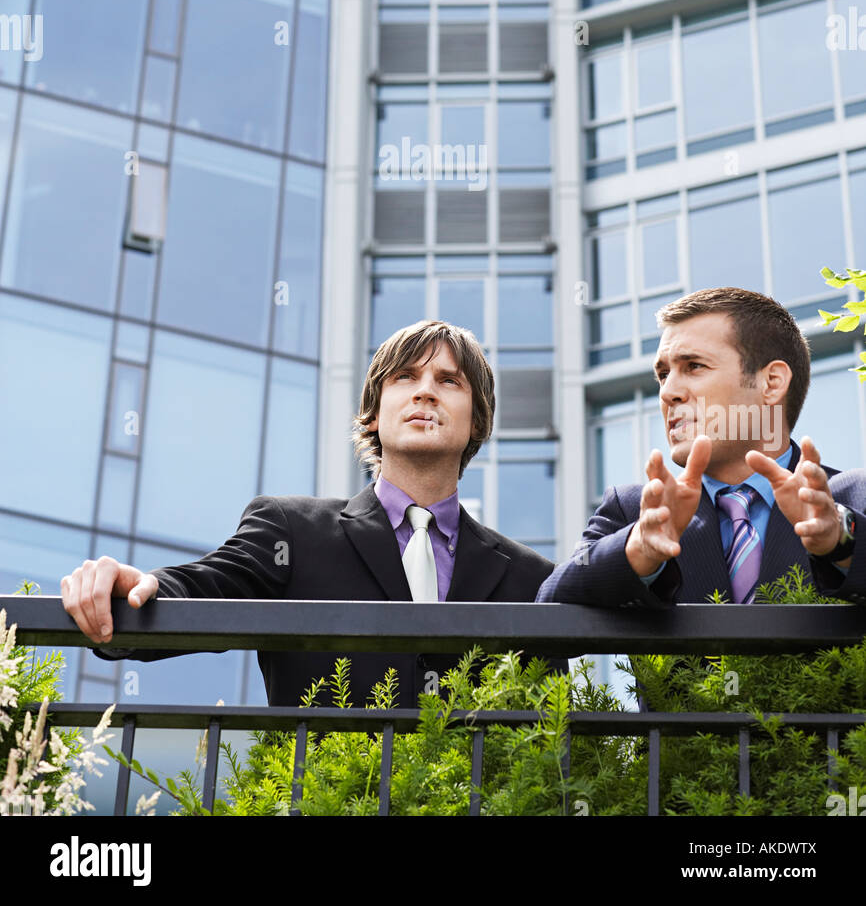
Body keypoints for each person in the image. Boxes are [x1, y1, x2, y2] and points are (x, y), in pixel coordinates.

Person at [62, 320, 554, 706]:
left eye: (449, 381)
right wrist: (131, 590)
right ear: (374, 412)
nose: (425, 391)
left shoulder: (531, 579)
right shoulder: (289, 531)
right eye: (405, 377)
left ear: (477, 422)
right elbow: (204, 590)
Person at [537, 287, 866, 608]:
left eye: (693, 366)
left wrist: (841, 542)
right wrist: (639, 550)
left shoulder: (851, 501)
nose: (668, 393)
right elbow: (548, 602)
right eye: (663, 375)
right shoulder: (632, 512)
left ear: (772, 382)